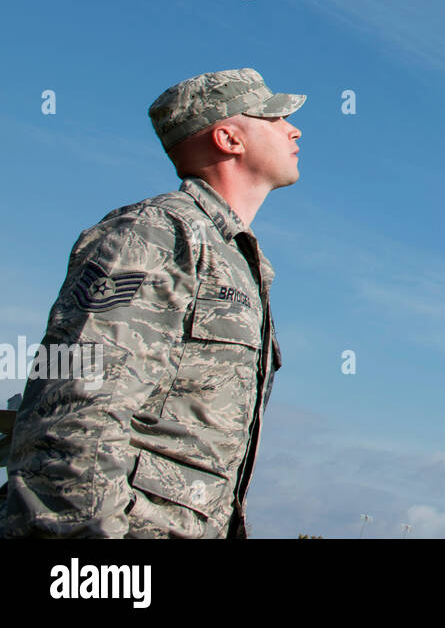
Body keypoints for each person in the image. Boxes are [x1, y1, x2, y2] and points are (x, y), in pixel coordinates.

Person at [0, 68, 304, 538]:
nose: (293, 127)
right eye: (273, 116)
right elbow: (74, 414)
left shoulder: (238, 259)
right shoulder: (156, 234)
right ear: (229, 138)